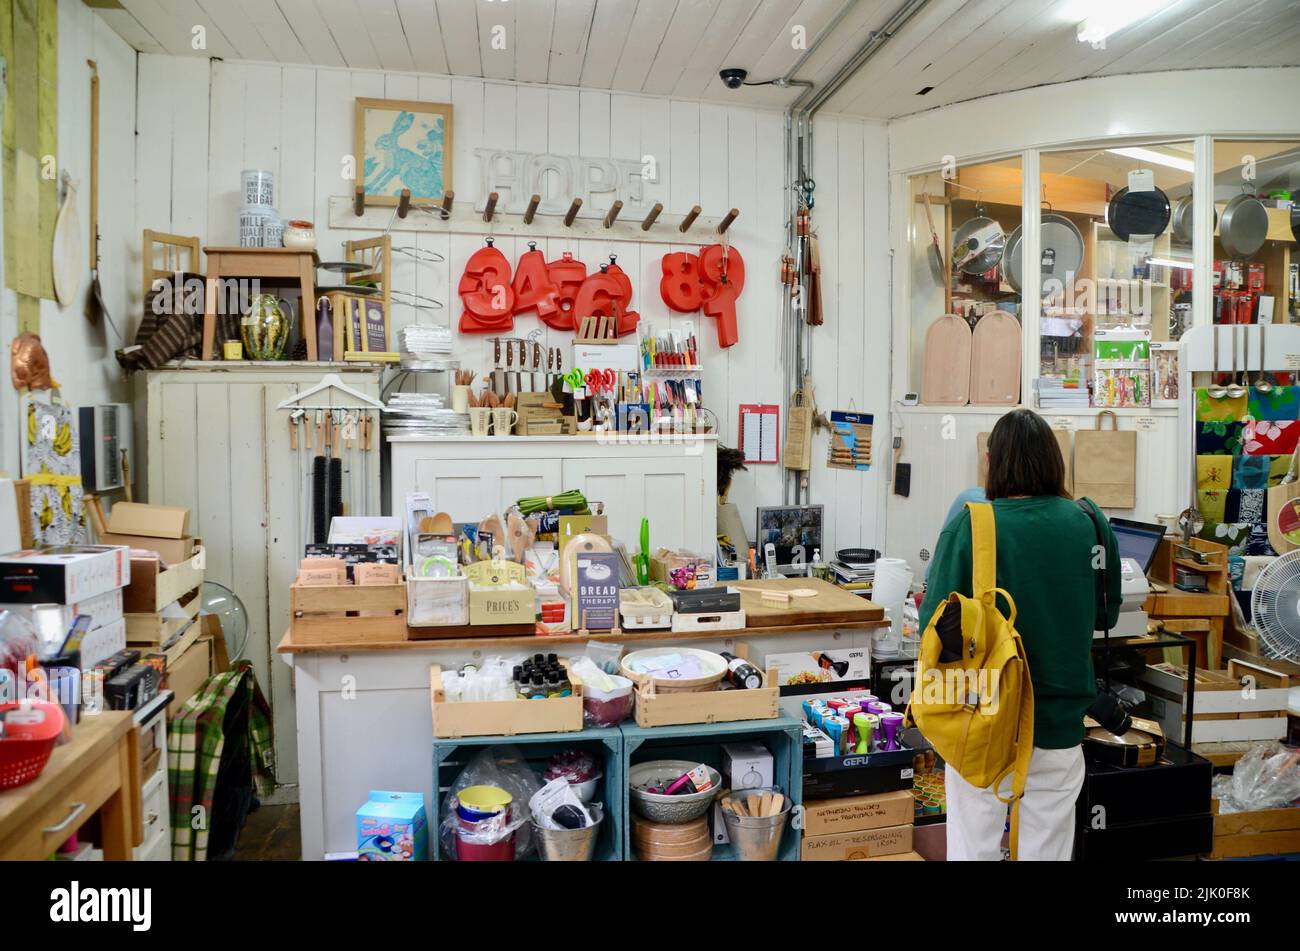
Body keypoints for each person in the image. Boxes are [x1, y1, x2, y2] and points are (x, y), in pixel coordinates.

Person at [919, 408, 1120, 860]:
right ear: (1054, 461)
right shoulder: (1091, 523)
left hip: (982, 721)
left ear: (992, 461)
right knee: (1046, 850)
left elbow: (934, 631)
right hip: (1060, 726)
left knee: (974, 847)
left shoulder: (971, 525)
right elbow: (1105, 616)